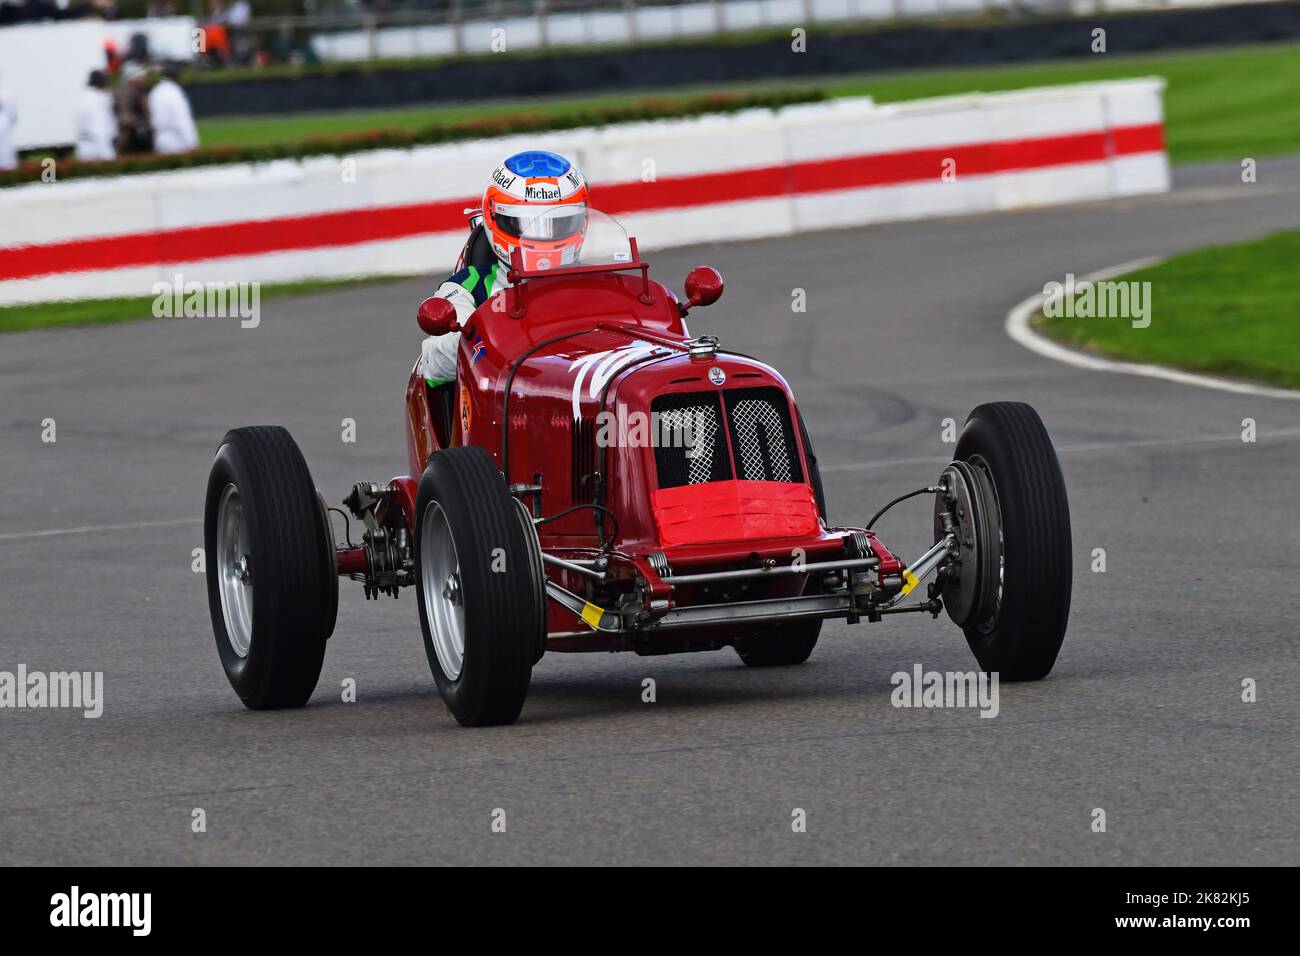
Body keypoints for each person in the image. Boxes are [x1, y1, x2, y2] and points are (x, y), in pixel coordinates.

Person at [419, 150, 590, 385]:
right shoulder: (468, 287)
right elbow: (433, 366)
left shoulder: (594, 282)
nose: (544, 237)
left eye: (558, 222)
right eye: (527, 224)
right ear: (494, 217)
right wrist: (486, 335)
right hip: (505, 406)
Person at [147, 63, 198, 154]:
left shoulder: (155, 91)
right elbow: (182, 119)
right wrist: (192, 142)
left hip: (159, 139)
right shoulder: (174, 92)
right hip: (177, 140)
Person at [74, 70, 118, 162]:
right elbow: (99, 129)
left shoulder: (84, 98)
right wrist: (108, 155)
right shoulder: (96, 100)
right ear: (100, 83)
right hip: (98, 150)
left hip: (85, 147)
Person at [0, 70, 17, 172]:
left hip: (5, 144)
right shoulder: (7, 94)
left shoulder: (7, 94)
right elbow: (13, 117)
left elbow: (13, 117)